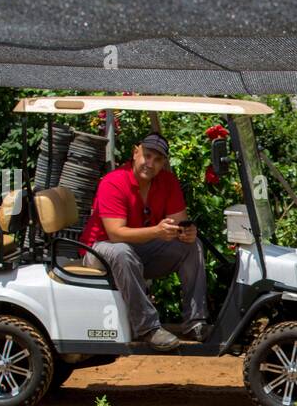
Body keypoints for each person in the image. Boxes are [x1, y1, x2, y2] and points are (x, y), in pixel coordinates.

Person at [80, 132, 209, 351]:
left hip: (136, 250)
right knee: (122, 251)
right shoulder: (113, 182)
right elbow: (115, 234)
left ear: (163, 163)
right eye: (147, 156)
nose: (150, 163)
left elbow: (179, 222)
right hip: (99, 250)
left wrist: (186, 232)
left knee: (191, 246)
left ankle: (194, 322)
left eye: (157, 160)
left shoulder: (167, 181)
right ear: (135, 152)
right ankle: (147, 328)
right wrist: (157, 231)